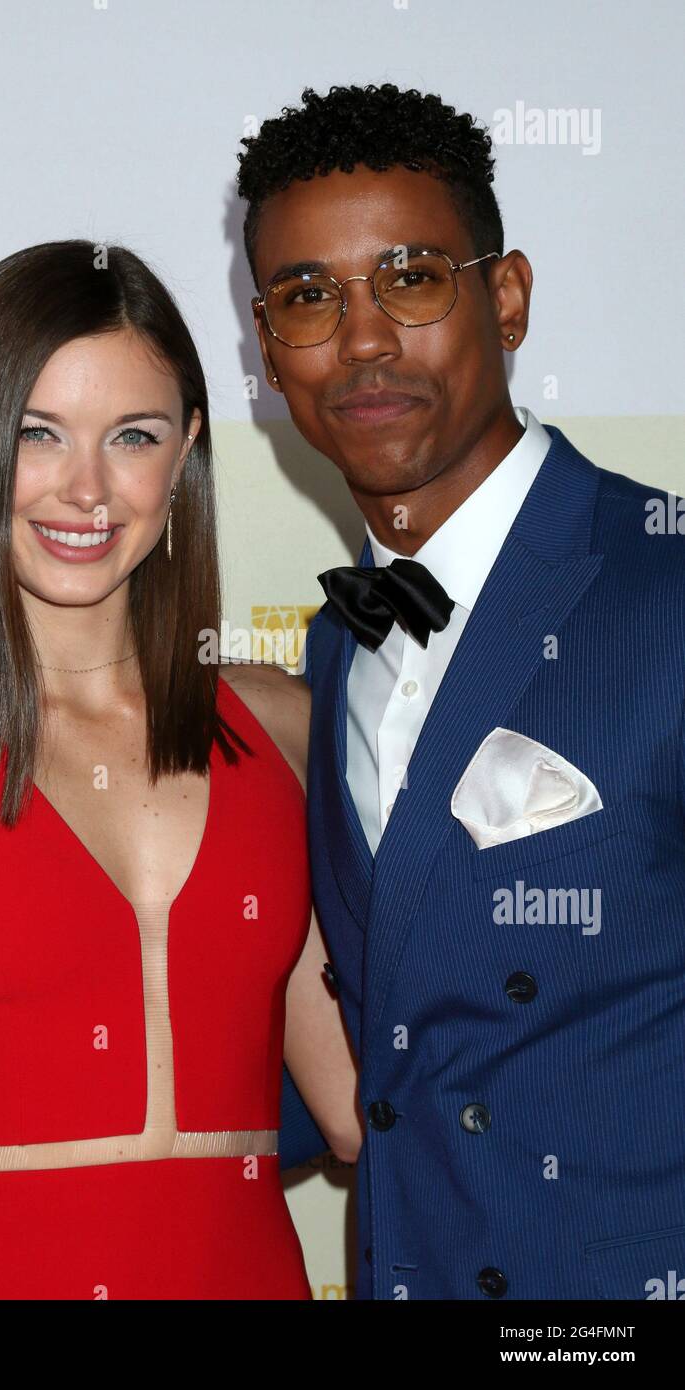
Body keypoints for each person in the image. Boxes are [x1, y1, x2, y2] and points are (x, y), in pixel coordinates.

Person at [0, 240, 363, 1300]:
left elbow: (353, 1103)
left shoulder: (284, 725)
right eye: (36, 434)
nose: (85, 488)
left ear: (187, 450)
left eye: (133, 437)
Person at [233, 81, 685, 1301]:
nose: (362, 338)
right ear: (269, 351)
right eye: (308, 298)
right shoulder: (335, 652)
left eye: (412, 277)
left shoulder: (665, 586)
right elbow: (392, 1044)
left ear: (506, 296)